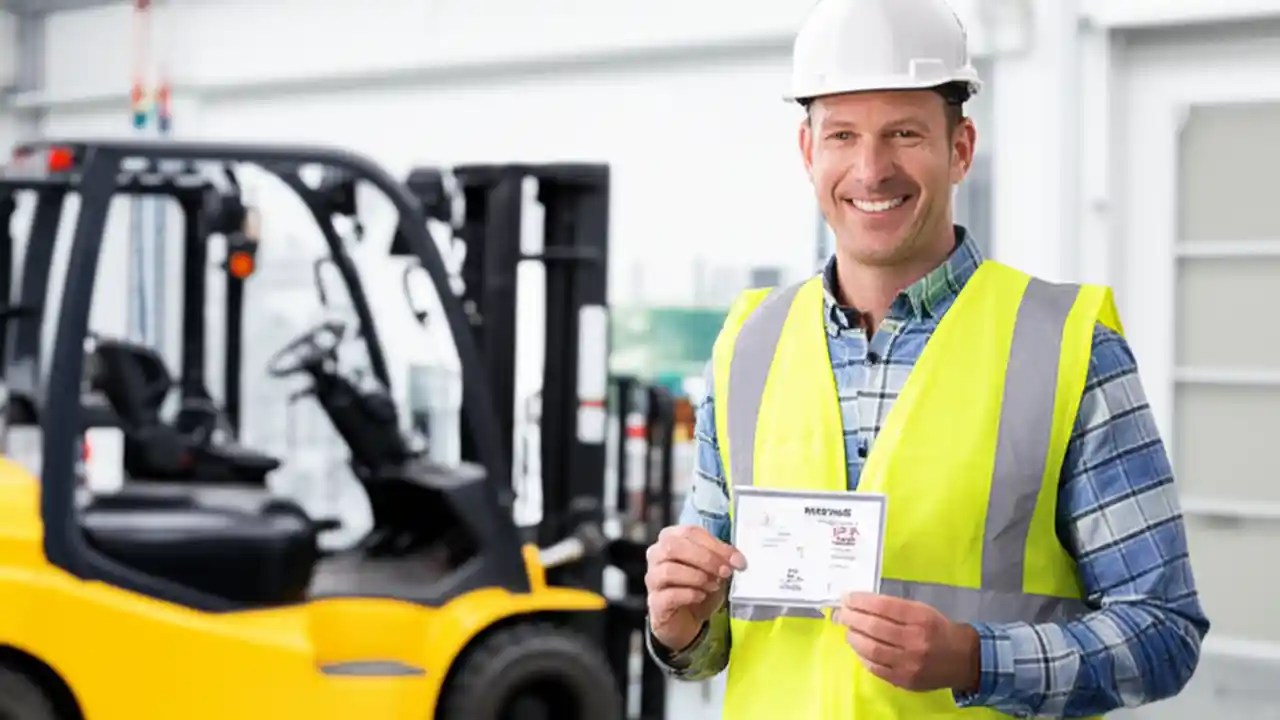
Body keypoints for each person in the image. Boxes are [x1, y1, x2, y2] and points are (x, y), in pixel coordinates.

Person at [642, 0, 1210, 717]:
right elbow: (714, 634)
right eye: (842, 135)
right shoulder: (748, 343)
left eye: (904, 134)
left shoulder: (1068, 345)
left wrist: (973, 658)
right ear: (807, 151)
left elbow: (1163, 632)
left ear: (960, 147)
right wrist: (679, 627)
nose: (871, 169)